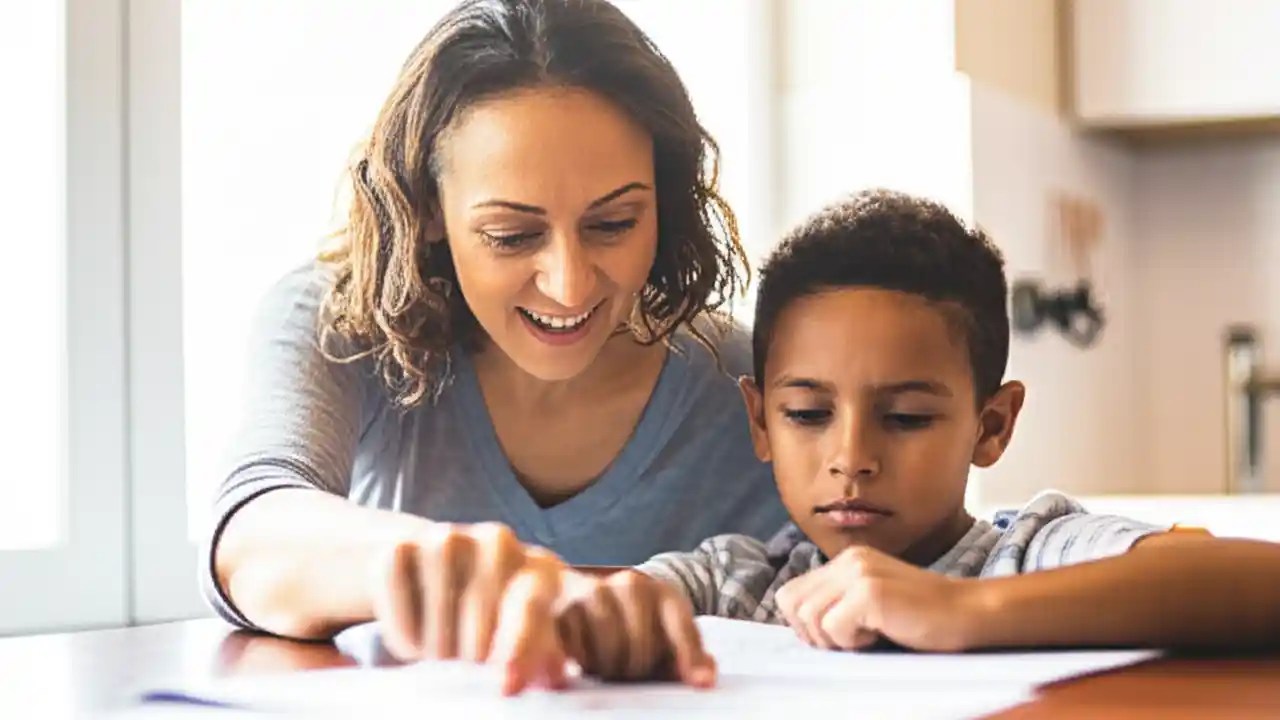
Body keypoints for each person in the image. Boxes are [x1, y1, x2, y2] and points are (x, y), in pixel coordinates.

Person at [467, 188, 1280, 695]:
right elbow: (624, 604)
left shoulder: (1031, 552)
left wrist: (962, 610)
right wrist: (594, 617)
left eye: (906, 418)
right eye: (807, 414)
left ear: (990, 426)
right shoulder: (742, 584)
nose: (850, 456)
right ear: (758, 420)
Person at [202, 0, 788, 654]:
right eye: (511, 235)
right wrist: (442, 565)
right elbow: (251, 534)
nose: (569, 283)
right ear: (427, 210)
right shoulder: (338, 321)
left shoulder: (744, 382)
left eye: (614, 224)